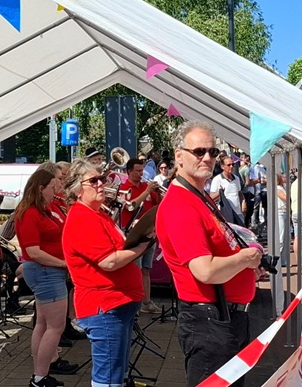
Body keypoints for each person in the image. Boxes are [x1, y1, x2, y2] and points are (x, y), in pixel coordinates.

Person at [156, 121, 260, 387]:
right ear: (179, 156)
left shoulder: (198, 196)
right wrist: (244, 259)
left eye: (212, 152)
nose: (207, 158)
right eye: (199, 151)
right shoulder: (181, 204)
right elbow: (205, 271)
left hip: (224, 318)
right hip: (210, 322)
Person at [62, 158, 150, 387]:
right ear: (77, 189)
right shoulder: (82, 218)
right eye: (94, 180)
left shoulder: (97, 213)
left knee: (115, 373)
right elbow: (109, 262)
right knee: (108, 377)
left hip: (118, 304)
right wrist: (141, 247)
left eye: (101, 179)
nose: (102, 183)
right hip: (105, 306)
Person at [15, 169, 75, 387]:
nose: (55, 191)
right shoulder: (30, 213)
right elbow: (33, 251)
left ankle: (40, 373)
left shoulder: (42, 210)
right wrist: (63, 263)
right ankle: (40, 376)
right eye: (52, 187)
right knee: (55, 327)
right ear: (40, 189)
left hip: (48, 270)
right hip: (45, 271)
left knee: (42, 324)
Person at [119, 158, 162, 315]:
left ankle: (146, 301)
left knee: (146, 269)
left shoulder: (146, 187)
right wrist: (147, 192)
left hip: (149, 232)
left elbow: (158, 206)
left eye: (142, 170)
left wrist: (158, 193)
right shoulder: (124, 188)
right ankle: (134, 302)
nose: (141, 174)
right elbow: (131, 206)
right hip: (133, 233)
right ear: (129, 172)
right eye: (137, 171)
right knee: (135, 269)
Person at [209, 156, 245, 226]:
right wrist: (220, 192)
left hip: (238, 213)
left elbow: (239, 192)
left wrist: (243, 202)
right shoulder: (217, 179)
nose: (231, 167)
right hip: (225, 214)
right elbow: (211, 197)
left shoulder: (236, 178)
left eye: (233, 164)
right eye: (228, 165)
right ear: (222, 167)